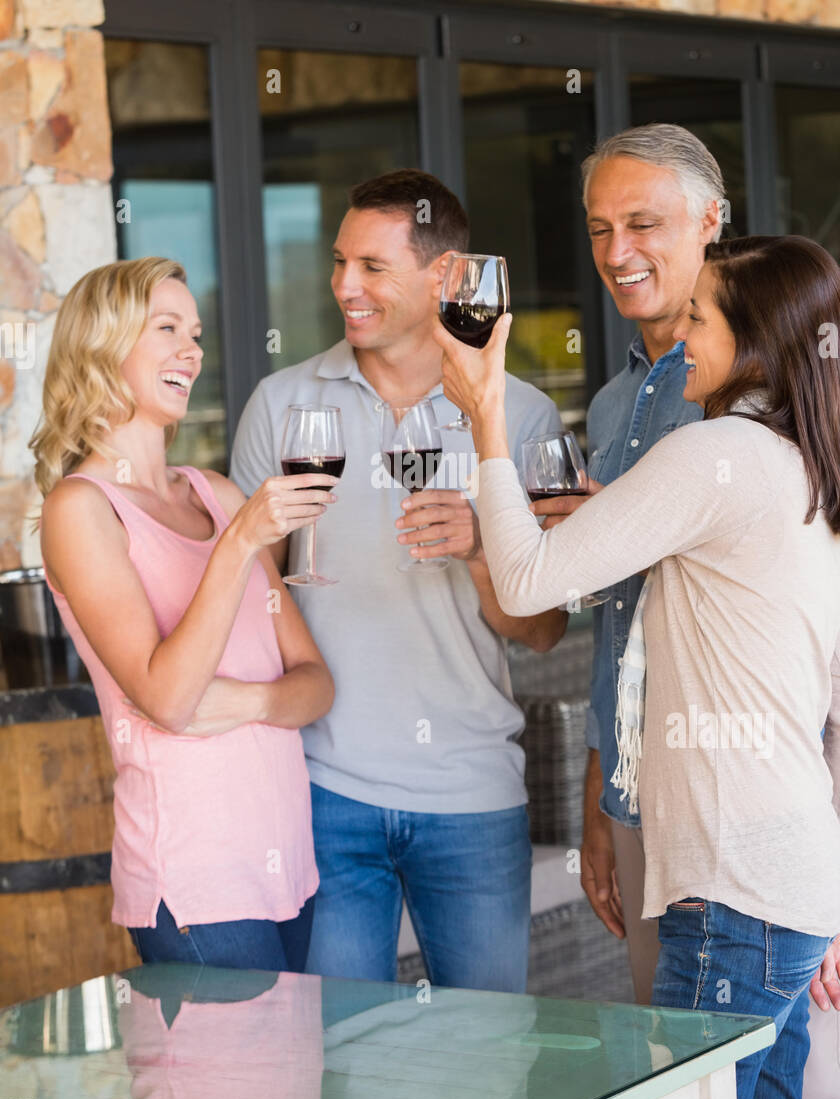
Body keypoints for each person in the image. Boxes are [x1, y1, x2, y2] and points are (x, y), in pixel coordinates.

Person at [436, 232, 840, 1099]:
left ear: (755, 340)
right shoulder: (815, 465)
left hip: (732, 893)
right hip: (796, 886)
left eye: (699, 319)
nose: (679, 341)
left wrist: (485, 416)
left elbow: (527, 582)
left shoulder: (715, 453)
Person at [230, 169, 567, 993]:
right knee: (344, 1054)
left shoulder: (519, 415)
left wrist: (483, 549)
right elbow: (247, 596)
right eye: (340, 262)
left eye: (373, 267)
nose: (345, 286)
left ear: (444, 275)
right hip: (323, 790)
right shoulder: (281, 403)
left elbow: (544, 629)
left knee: (486, 1049)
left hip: (471, 793)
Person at [32, 256, 335, 970]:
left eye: (195, 333)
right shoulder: (82, 510)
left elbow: (317, 684)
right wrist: (240, 543)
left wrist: (249, 701)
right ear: (103, 345)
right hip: (195, 885)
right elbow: (168, 699)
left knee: (293, 1052)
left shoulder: (216, 493)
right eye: (167, 328)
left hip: (288, 866)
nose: (192, 350)